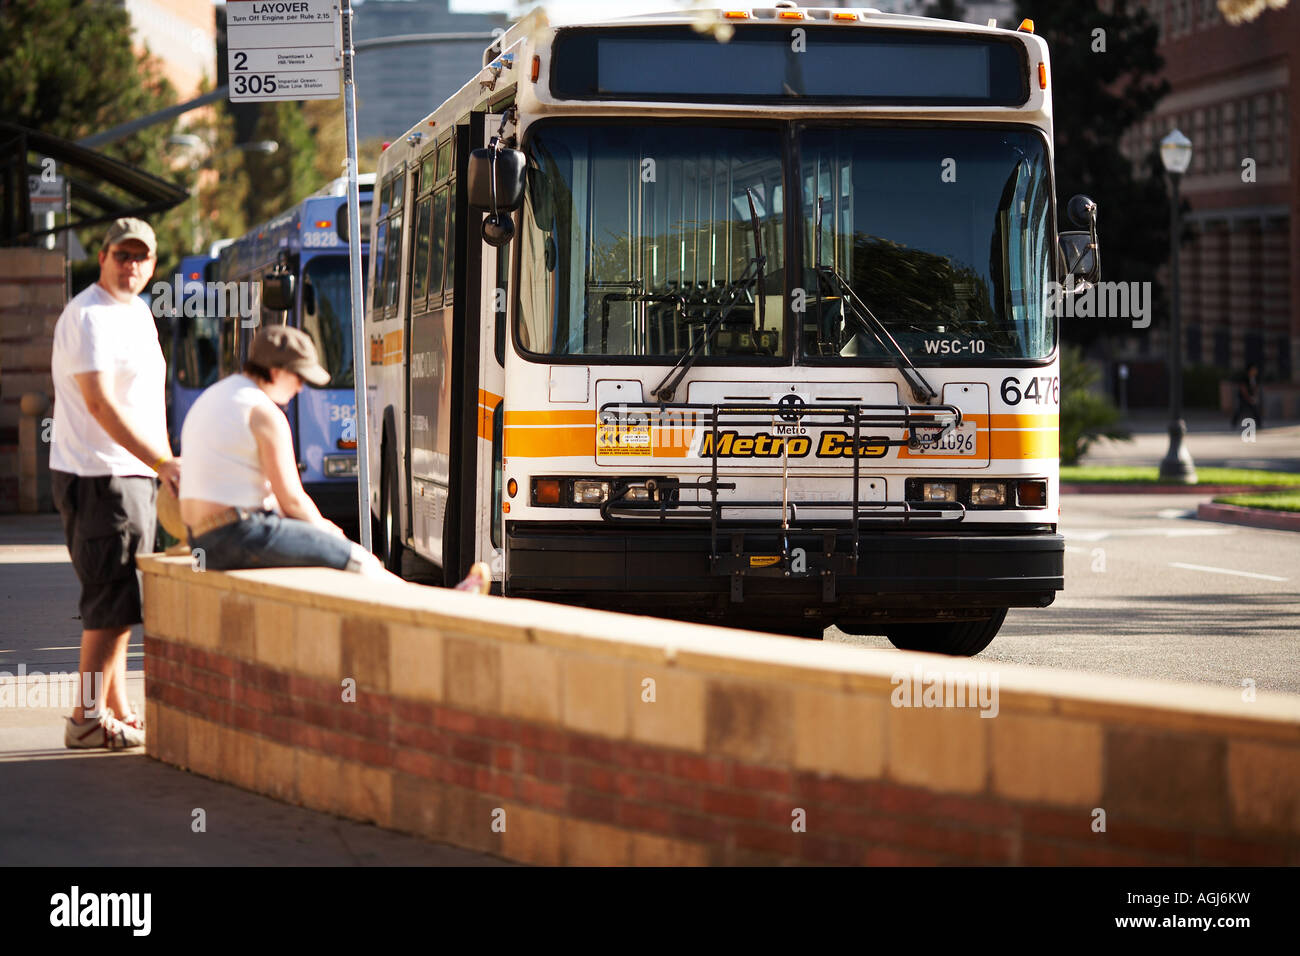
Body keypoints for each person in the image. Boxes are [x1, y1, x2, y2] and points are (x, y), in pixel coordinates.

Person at [50, 217, 181, 751]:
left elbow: (146, 402)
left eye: (141, 257)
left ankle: (116, 707)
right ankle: (84, 716)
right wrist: (163, 461)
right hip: (100, 474)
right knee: (107, 600)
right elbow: (100, 403)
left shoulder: (139, 312)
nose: (131, 265)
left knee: (123, 599)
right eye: (121, 255)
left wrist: (161, 462)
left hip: (133, 474)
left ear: (152, 264)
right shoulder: (87, 316)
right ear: (102, 256)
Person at [179, 325, 392, 576]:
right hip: (240, 534)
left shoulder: (213, 396)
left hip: (200, 544)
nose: (301, 388)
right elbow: (291, 500)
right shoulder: (262, 412)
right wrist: (331, 535)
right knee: (361, 561)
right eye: (299, 377)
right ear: (276, 372)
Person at [1232, 364, 1262, 431]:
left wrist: (1254, 397)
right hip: (1243, 398)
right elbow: (1243, 390)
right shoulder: (1244, 378)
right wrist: (1249, 398)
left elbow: (1255, 388)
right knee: (1240, 410)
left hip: (1251, 397)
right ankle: (1233, 423)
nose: (1255, 371)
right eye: (1253, 370)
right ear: (1250, 370)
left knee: (1255, 410)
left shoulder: (1255, 378)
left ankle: (1259, 423)